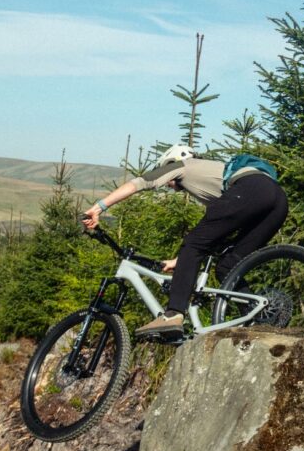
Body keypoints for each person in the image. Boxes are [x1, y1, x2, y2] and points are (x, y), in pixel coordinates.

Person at [81, 144, 287, 336]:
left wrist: (99, 207)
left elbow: (140, 183)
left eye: (169, 180)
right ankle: (259, 318)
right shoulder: (215, 181)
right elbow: (213, 234)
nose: (169, 186)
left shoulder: (182, 166)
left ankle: (173, 314)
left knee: (193, 243)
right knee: (227, 265)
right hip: (277, 200)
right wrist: (179, 262)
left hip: (252, 189)